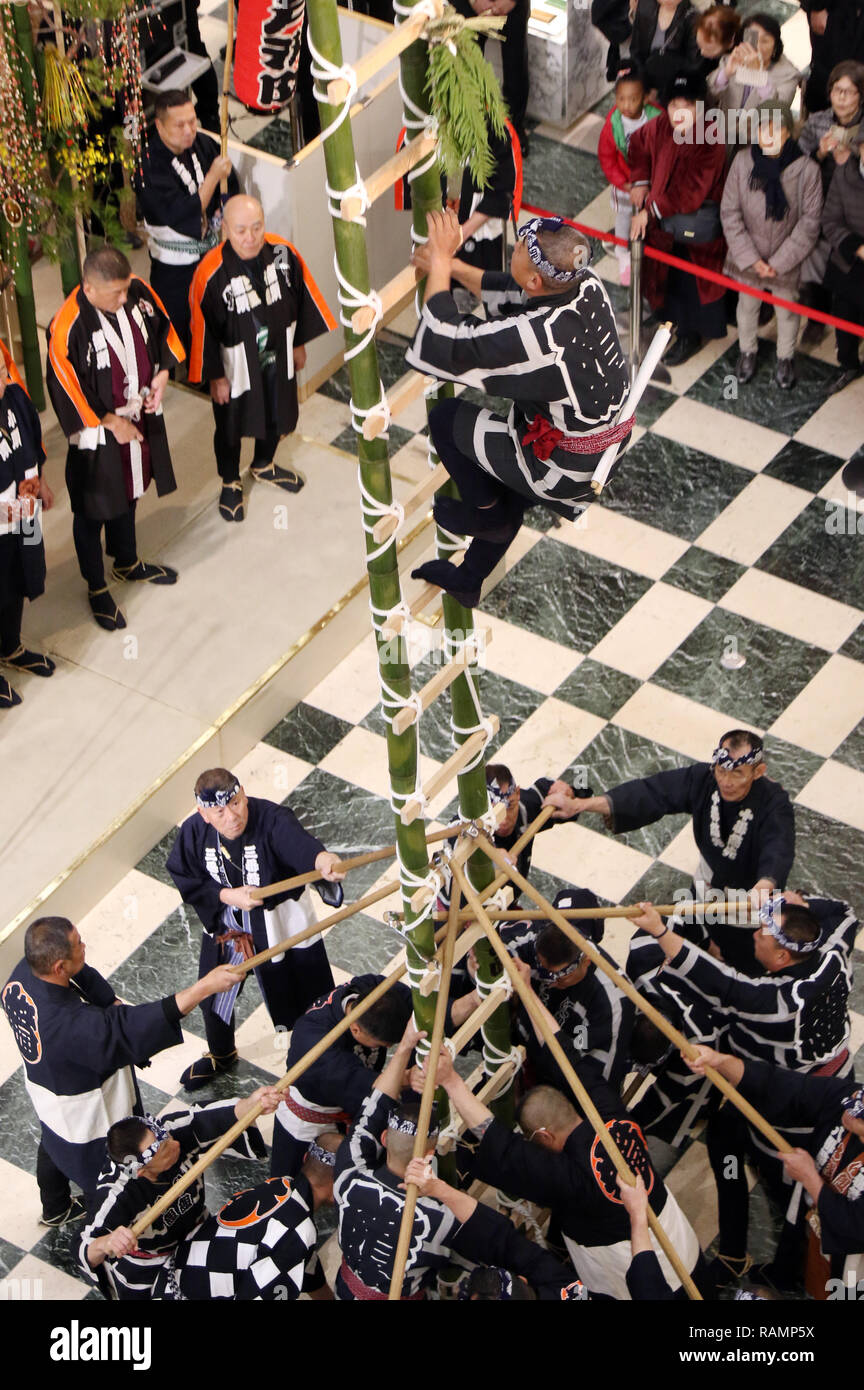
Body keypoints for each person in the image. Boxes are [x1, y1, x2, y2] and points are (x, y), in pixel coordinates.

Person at [405, 210, 630, 607]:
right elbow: (513, 291)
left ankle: (489, 517)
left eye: (519, 250)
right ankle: (469, 577)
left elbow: (447, 344)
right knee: (505, 478)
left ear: (536, 280)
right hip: (605, 445)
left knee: (446, 421)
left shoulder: (544, 338)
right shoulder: (585, 283)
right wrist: (454, 268)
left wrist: (440, 260)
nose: (515, 247)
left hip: (566, 469)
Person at [632, 895, 855, 1285]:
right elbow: (844, 912)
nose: (755, 933)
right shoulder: (833, 955)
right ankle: (735, 1250)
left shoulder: (777, 1004)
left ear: (783, 958)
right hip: (815, 1082)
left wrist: (660, 932)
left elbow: (726, 986)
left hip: (786, 1106)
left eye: (765, 934)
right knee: (724, 1143)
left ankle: (792, 1267)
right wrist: (797, 905)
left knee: (788, 1184)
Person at [430, 1017, 707, 1299]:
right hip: (684, 1249)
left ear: (543, 1136)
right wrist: (528, 994)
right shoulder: (610, 1110)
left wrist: (452, 1082)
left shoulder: (570, 1178)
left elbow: (503, 1147)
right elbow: (567, 1057)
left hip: (650, 1283)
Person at [1, 916, 241, 1225]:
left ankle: (55, 1206)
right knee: (99, 1172)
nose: (84, 946)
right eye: (78, 946)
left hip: (47, 1085)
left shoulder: (27, 970)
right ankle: (104, 1227)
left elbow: (84, 976)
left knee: (52, 1140)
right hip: (85, 1108)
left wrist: (109, 1001)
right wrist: (204, 988)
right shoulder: (70, 1025)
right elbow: (129, 1030)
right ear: (59, 966)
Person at [167, 767, 344, 1090]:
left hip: (278, 921)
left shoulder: (271, 818)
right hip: (228, 922)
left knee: (306, 990)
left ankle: (327, 1050)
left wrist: (322, 861)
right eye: (219, 811)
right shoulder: (194, 831)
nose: (232, 816)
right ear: (204, 814)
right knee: (213, 990)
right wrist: (226, 895)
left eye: (235, 803)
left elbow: (300, 845)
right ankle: (221, 1053)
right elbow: (185, 875)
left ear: (244, 794)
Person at [562, 729, 794, 972]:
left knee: (742, 961)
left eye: (737, 773)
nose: (726, 781)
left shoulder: (774, 804)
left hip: (747, 902)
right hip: (706, 884)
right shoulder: (704, 780)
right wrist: (583, 804)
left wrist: (765, 885)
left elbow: (779, 846)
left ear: (758, 772)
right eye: (721, 770)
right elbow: (653, 792)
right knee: (691, 938)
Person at [78, 1090, 335, 1299]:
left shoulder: (170, 1132)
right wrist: (107, 1242)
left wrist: (251, 1105)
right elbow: (85, 1246)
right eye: (166, 1151)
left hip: (198, 1231)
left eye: (167, 1139)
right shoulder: (117, 1194)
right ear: (144, 1171)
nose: (176, 1144)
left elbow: (205, 1119)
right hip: (149, 1268)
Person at [45, 246, 184, 633]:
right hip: (95, 429)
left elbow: (164, 332)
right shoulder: (68, 326)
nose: (125, 298)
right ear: (88, 288)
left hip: (138, 411)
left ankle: (127, 560)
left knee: (131, 488)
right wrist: (108, 422)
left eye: (125, 290)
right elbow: (65, 387)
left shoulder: (136, 289)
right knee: (93, 509)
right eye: (115, 294)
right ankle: (96, 586)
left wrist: (161, 375)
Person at [188, 194, 336, 521]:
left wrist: (298, 343)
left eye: (257, 227)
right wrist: (215, 377)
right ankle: (230, 482)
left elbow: (301, 298)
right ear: (224, 229)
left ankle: (263, 464)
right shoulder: (209, 273)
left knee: (277, 410)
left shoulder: (282, 252)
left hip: (277, 352)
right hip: (235, 365)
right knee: (229, 426)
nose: (251, 237)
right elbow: (202, 331)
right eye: (241, 230)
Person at [686, 1044, 864, 1295]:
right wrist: (721, 1061)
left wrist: (811, 1179)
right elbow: (786, 1087)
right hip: (815, 1226)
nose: (851, 1107)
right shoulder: (849, 1100)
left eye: (860, 1114)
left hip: (850, 1261)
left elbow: (855, 1228)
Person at [270, 973, 414, 1179]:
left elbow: (414, 1002)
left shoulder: (369, 990)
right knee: (289, 1185)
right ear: (356, 1029)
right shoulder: (316, 1045)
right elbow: (377, 1088)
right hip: (309, 1120)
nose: (389, 1047)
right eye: (382, 1045)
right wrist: (409, 1076)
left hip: (346, 1104)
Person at [720, 101, 822, 390]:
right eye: (762, 128)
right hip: (749, 256)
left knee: (787, 311)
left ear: (788, 133)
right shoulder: (742, 162)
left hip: (786, 260)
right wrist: (751, 259)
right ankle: (747, 350)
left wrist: (777, 264)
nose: (768, 135)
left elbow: (810, 223)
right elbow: (730, 212)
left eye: (776, 129)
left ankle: (786, 356)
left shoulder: (807, 170)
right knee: (747, 306)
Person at [629, 70, 728, 366]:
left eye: (686, 106)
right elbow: (638, 144)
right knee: (662, 277)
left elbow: (691, 192)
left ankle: (689, 334)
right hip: (662, 227)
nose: (678, 112)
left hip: (694, 230)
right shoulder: (659, 126)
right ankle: (665, 319)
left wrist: (650, 211)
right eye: (673, 105)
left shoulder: (711, 138)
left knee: (689, 283)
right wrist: (640, 181)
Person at [135, 88, 239, 351]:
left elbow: (230, 185)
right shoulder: (148, 166)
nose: (189, 130)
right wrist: (213, 177)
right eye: (180, 125)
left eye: (192, 121)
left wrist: (223, 212)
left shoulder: (201, 144)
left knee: (216, 320)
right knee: (180, 332)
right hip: (174, 268)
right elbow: (184, 213)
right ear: (159, 126)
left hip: (211, 254)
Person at [502, 901, 635, 1087]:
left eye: (561, 975)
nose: (551, 981)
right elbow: (494, 944)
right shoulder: (538, 935)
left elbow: (600, 1076)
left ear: (586, 960)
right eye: (544, 971)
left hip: (568, 1073)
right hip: (525, 1045)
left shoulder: (612, 1002)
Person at [0, 341, 54, 709]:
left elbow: (34, 442)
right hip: (3, 521)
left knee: (23, 576)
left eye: (3, 371)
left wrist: (43, 483)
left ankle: (10, 645)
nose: (6, 380)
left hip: (25, 513)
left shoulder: (15, 397)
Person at [797, 61, 864, 346]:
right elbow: (797, 167)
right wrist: (820, 153)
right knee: (816, 258)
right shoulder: (817, 122)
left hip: (857, 208)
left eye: (849, 92)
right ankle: (817, 317)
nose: (842, 98)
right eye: (837, 90)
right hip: (821, 201)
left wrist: (854, 160)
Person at [597, 65, 662, 285]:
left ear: (644, 99)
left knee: (650, 217)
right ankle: (622, 252)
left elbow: (665, 152)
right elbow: (607, 156)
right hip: (625, 183)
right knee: (624, 217)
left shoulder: (656, 119)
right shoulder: (613, 123)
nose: (626, 105)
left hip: (652, 183)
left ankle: (648, 255)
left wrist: (656, 181)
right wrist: (622, 182)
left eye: (633, 99)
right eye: (621, 99)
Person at [708, 15, 801, 153]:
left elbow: (778, 112)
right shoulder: (730, 60)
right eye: (752, 39)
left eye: (765, 41)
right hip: (721, 136)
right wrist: (726, 73)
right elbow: (708, 96)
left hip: (757, 143)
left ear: (775, 45)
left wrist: (758, 76)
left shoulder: (788, 74)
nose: (757, 47)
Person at [821, 130, 864, 395]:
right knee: (845, 318)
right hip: (848, 263)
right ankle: (848, 364)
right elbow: (830, 221)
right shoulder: (844, 174)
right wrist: (858, 247)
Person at [628, 0, 699, 95]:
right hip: (646, 80)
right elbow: (635, 51)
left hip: (674, 87)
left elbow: (692, 64)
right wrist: (644, 85)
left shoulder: (693, 18)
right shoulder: (645, 5)